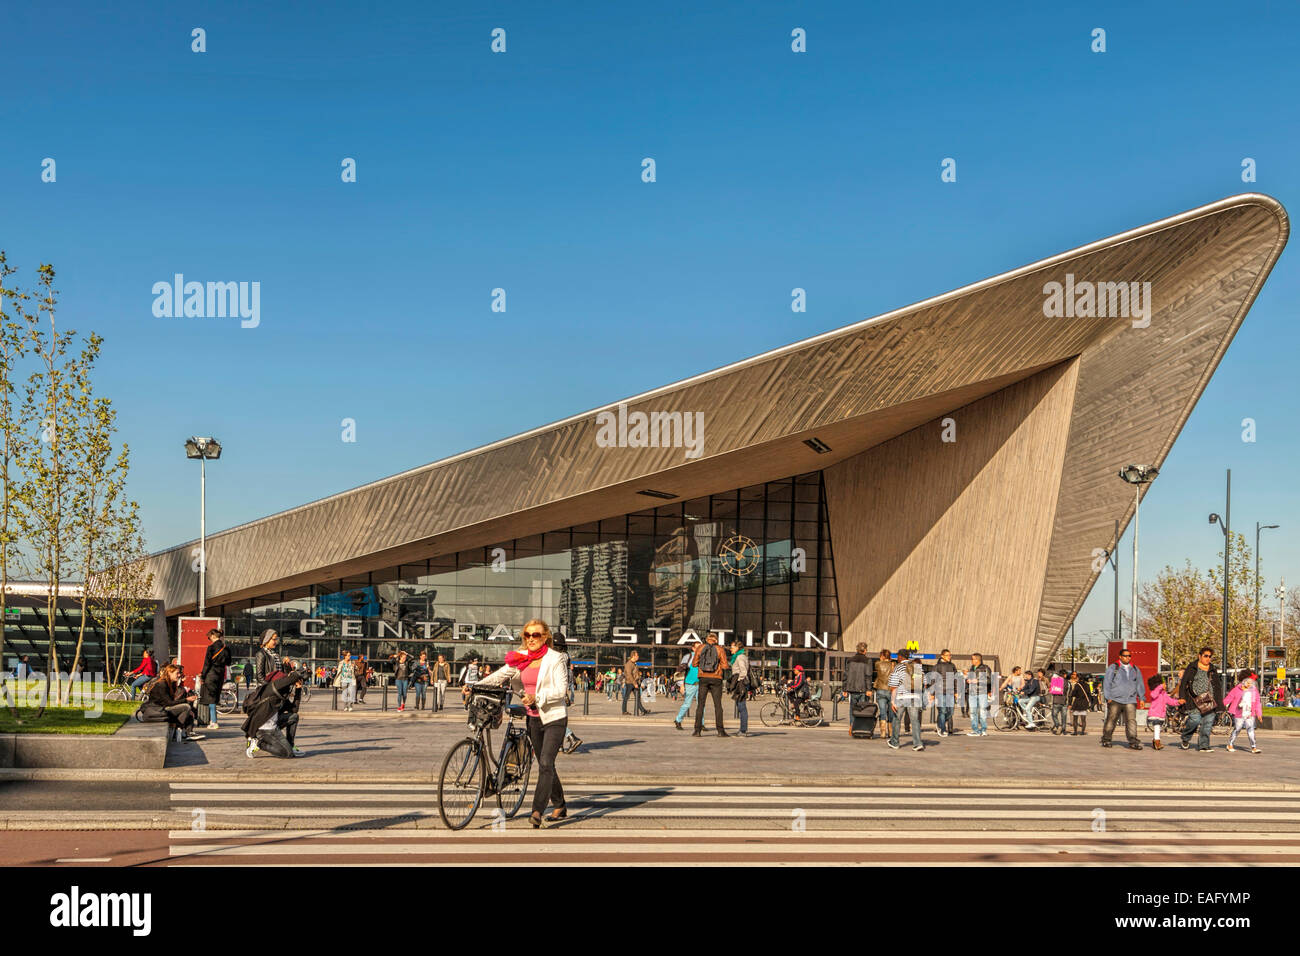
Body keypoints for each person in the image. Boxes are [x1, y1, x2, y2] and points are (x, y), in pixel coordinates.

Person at [473, 620, 569, 828]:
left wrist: (537, 697)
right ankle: (560, 803)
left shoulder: (556, 658)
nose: (531, 639)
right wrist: (474, 686)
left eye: (535, 635)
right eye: (527, 635)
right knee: (547, 765)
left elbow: (561, 691)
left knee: (545, 763)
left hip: (554, 718)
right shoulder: (521, 658)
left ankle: (537, 811)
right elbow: (500, 675)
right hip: (533, 718)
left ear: (544, 637)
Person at [244, 664, 311, 758]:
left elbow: (294, 710)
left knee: (294, 717)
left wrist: (298, 690)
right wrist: (297, 673)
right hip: (263, 730)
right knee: (287, 754)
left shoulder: (280, 696)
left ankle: (290, 746)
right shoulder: (270, 688)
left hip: (274, 727)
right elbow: (288, 680)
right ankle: (259, 743)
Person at [138, 663, 204, 741]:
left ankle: (186, 733)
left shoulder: (171, 684)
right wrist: (186, 700)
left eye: (180, 673)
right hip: (158, 711)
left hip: (163, 708)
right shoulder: (162, 685)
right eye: (177, 673)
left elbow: (171, 702)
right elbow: (168, 703)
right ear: (170, 673)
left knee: (189, 711)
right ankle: (178, 731)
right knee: (186, 707)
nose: (179, 675)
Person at [1100, 646, 1146, 750]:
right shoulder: (1113, 667)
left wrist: (1142, 698)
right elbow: (1107, 683)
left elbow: (1139, 684)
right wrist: (1108, 697)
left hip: (1130, 699)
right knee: (1111, 720)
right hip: (1115, 699)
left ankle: (1133, 741)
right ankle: (1106, 739)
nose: (1127, 658)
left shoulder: (1134, 669)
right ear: (1120, 657)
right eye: (1125, 656)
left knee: (1131, 721)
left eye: (1129, 656)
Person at [691, 632, 730, 737]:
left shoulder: (700, 648)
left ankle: (697, 730)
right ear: (716, 640)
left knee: (700, 705)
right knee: (718, 705)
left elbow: (694, 664)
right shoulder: (720, 649)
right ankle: (720, 731)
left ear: (707, 639)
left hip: (703, 678)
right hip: (716, 679)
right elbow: (725, 666)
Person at [888, 648, 923, 751]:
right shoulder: (916, 666)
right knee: (915, 721)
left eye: (898, 656)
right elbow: (924, 681)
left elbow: (893, 685)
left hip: (901, 697)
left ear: (900, 657)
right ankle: (917, 743)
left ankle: (895, 742)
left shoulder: (898, 667)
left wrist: (893, 701)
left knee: (897, 719)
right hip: (914, 697)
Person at [198, 628, 230, 729]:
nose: (209, 639)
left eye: (209, 637)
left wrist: (202, 675)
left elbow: (207, 664)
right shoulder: (226, 648)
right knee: (214, 697)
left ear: (213, 636)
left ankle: (214, 722)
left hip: (211, 675)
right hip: (220, 675)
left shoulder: (211, 648)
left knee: (210, 698)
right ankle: (213, 720)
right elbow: (228, 662)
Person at [1223, 672, 1262, 754]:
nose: (1249, 684)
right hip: (1238, 713)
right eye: (1248, 682)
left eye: (1251, 683)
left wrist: (1259, 714)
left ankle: (1254, 747)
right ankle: (1230, 744)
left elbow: (1258, 702)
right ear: (1244, 681)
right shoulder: (1236, 689)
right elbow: (1229, 698)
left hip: (1249, 713)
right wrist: (1221, 705)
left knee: (1250, 729)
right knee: (1237, 728)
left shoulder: (1254, 691)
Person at [1146, 673, 1182, 751]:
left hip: (1161, 714)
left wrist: (1178, 702)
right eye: (1163, 684)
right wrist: (1161, 687)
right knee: (1157, 726)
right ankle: (1157, 742)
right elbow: (1153, 695)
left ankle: (1155, 740)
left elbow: (1170, 701)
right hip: (1155, 713)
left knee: (1157, 728)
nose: (1165, 685)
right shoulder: (1155, 692)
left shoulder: (1163, 694)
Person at [844, 642, 872, 738]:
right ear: (865, 650)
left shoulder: (850, 660)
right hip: (863, 689)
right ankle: (861, 728)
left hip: (852, 689)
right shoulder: (867, 661)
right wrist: (869, 689)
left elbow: (846, 675)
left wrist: (844, 689)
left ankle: (852, 726)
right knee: (862, 710)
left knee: (853, 709)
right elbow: (868, 676)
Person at [930, 649, 958, 737]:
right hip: (940, 691)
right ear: (942, 656)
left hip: (950, 691)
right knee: (942, 711)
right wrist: (932, 693)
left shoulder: (952, 666)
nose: (949, 657)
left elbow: (956, 679)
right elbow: (933, 680)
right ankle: (942, 729)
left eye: (950, 655)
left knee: (951, 712)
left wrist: (956, 691)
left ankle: (939, 724)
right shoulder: (937, 666)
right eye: (947, 655)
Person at [964, 653, 992, 737]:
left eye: (972, 659)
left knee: (982, 711)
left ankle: (983, 730)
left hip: (982, 692)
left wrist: (978, 681)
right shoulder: (971, 668)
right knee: (973, 712)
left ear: (977, 660)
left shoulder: (985, 668)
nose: (971, 661)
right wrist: (968, 681)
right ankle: (975, 730)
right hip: (972, 692)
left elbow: (990, 680)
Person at [728, 639, 751, 736]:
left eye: (732, 647)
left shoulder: (740, 657)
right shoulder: (739, 656)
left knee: (742, 707)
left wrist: (738, 681)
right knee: (741, 706)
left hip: (740, 684)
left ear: (737, 648)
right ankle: (742, 729)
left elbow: (743, 671)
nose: (730, 649)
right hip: (741, 683)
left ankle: (743, 730)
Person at [674, 653, 700, 731]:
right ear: (693, 648)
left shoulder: (702, 657)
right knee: (687, 704)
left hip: (700, 684)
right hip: (689, 684)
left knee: (702, 705)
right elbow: (681, 670)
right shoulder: (688, 657)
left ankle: (701, 723)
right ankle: (678, 720)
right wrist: (681, 685)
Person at [872, 649, 894, 741]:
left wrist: (881, 659)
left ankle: (883, 732)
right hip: (890, 690)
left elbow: (878, 667)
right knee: (891, 712)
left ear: (882, 656)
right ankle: (891, 732)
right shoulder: (893, 665)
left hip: (881, 689)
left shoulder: (878, 664)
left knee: (882, 711)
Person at [622, 651, 647, 716]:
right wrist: (634, 683)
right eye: (637, 655)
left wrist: (639, 683)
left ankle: (643, 710)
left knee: (637, 697)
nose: (638, 657)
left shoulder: (634, 664)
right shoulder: (628, 664)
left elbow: (636, 675)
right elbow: (629, 675)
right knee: (626, 697)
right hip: (630, 683)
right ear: (633, 656)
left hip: (635, 682)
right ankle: (624, 711)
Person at [1048, 668, 1067, 735]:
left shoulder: (1055, 680)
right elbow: (1068, 692)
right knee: (1063, 717)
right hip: (1064, 701)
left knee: (1054, 715)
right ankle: (1063, 729)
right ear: (1064, 675)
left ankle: (1058, 725)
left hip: (1056, 700)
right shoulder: (1066, 681)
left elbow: (1052, 691)